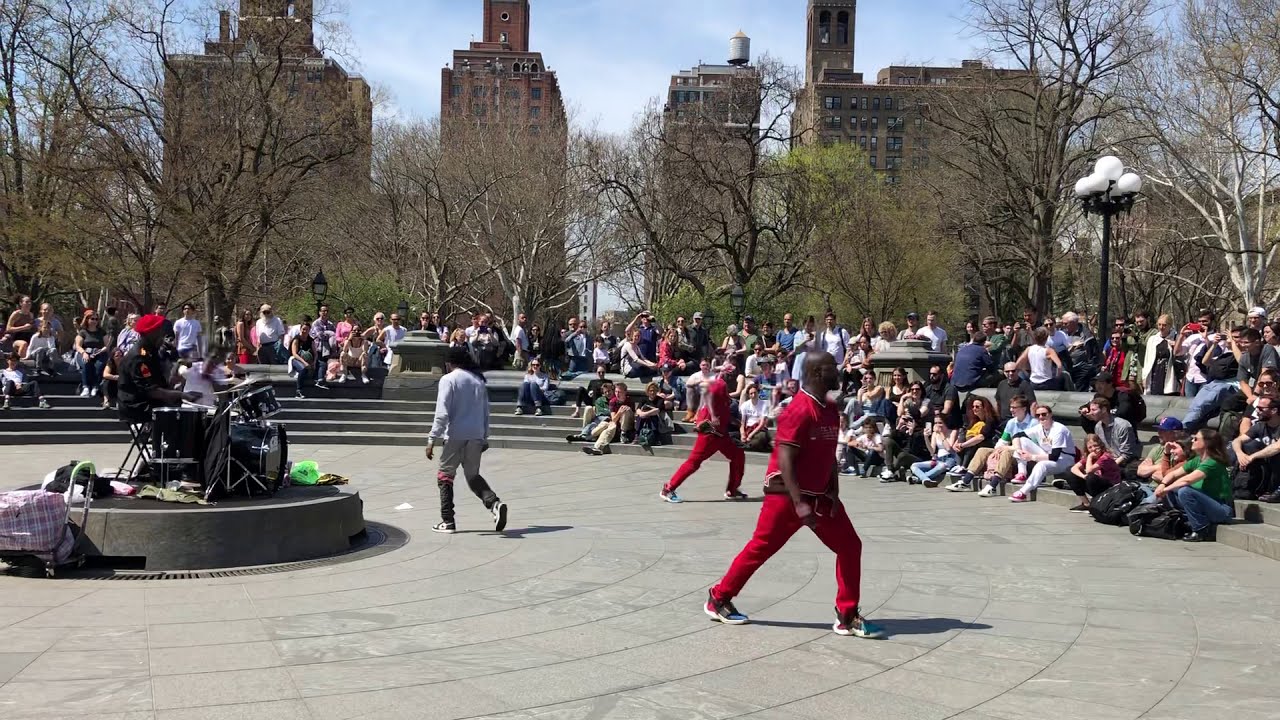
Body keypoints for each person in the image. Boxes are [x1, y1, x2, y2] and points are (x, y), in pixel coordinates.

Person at [704, 351, 883, 638]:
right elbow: (785, 457)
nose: (837, 372)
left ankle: (847, 615)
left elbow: (827, 456)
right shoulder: (799, 409)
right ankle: (718, 598)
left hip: (820, 496)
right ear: (815, 373)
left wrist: (833, 493)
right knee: (760, 548)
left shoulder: (828, 408)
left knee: (850, 546)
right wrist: (799, 504)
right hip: (786, 497)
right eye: (830, 368)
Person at [425, 347, 507, 534]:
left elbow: (442, 413)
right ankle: (494, 503)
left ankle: (448, 521)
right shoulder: (478, 381)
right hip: (476, 435)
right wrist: (484, 436)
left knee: (445, 476)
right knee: (473, 476)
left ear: (449, 363)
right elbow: (485, 412)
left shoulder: (448, 380)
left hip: (455, 435)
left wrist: (432, 439)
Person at [660, 364, 746, 502]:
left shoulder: (722, 386)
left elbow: (723, 408)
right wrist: (713, 416)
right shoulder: (719, 385)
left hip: (721, 434)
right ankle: (668, 489)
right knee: (694, 462)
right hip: (709, 433)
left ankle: (732, 489)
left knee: (738, 455)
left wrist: (736, 422)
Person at [117, 314, 200, 424]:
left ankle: (169, 440)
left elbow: (158, 385)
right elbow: (151, 391)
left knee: (186, 411)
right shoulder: (138, 357)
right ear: (151, 333)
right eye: (160, 331)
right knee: (181, 417)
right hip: (136, 405)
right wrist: (180, 395)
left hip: (150, 400)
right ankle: (166, 440)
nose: (163, 335)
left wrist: (174, 382)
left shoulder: (151, 351)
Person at [1156, 428, 1234, 541]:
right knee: (1173, 490)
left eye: (1196, 439)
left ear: (1207, 443)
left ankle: (1201, 530)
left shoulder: (1213, 463)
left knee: (1184, 491)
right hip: (1207, 505)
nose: (1192, 441)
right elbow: (1173, 475)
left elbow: (1187, 480)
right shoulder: (1197, 460)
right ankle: (1184, 521)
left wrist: (1166, 489)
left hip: (1221, 510)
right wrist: (1163, 484)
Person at [1009, 405, 1076, 503]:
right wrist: (1018, 450)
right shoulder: (1039, 427)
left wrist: (1031, 457)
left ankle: (1024, 492)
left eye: (1044, 414)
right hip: (1047, 454)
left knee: (1041, 465)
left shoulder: (1059, 430)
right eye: (1038, 415)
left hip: (1064, 459)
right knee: (1022, 440)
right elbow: (1017, 435)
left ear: (1050, 414)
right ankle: (1022, 473)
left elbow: (1054, 456)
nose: (1041, 417)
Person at [1232, 396, 1280, 501]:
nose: (1257, 411)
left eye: (1261, 408)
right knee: (1246, 447)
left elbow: (1277, 447)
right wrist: (1241, 454)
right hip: (1270, 467)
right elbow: (1237, 441)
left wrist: (1251, 457)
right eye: (1256, 408)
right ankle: (1244, 488)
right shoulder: (1260, 426)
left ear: (1274, 410)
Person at [1066, 434, 1122, 512]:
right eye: (1090, 447)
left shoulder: (1105, 457)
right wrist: (1083, 476)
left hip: (1110, 486)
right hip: (1096, 483)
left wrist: (1089, 457)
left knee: (1090, 477)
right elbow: (1073, 468)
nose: (1093, 449)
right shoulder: (1089, 456)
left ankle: (1097, 504)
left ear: (1100, 445)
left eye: (1095, 446)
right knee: (1069, 473)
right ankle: (1086, 504)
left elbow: (1089, 471)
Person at [582, 382, 635, 455]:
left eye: (619, 392)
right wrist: (619, 412)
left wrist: (624, 411)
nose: (617, 394)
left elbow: (632, 418)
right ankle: (597, 448)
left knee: (627, 410)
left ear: (625, 392)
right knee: (609, 429)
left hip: (628, 427)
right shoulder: (613, 401)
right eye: (616, 391)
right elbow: (613, 419)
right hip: (616, 425)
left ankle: (624, 434)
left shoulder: (630, 401)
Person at [909, 415, 959, 487]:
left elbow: (949, 449)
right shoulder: (935, 434)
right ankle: (926, 479)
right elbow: (932, 451)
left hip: (949, 459)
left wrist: (941, 433)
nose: (938, 425)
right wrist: (926, 437)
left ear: (945, 423)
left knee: (942, 466)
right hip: (938, 459)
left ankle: (918, 478)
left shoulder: (952, 432)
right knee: (914, 466)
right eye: (936, 423)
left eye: (940, 423)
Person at [1138, 416, 1186, 483]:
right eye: (1159, 430)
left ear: (1174, 433)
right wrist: (1158, 467)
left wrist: (1151, 469)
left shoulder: (1181, 451)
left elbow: (1165, 477)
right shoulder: (1158, 448)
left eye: (1163, 430)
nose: (1159, 433)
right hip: (1147, 486)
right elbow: (1140, 471)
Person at [75, 310, 109, 398]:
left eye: (96, 319)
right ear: (87, 320)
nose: (94, 321)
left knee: (99, 365)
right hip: (85, 352)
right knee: (86, 363)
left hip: (99, 353)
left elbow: (107, 345)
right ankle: (85, 387)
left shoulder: (102, 332)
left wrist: (101, 350)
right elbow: (78, 346)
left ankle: (95, 386)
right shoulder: (83, 332)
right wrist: (84, 353)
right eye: (92, 319)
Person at [289, 319, 322, 399]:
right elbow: (294, 353)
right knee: (303, 369)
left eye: (307, 329)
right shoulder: (296, 339)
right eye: (303, 329)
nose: (305, 331)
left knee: (321, 364)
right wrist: (304, 362)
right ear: (300, 329)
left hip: (309, 359)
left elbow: (315, 353)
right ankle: (298, 390)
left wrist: (314, 362)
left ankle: (318, 380)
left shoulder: (311, 340)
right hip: (296, 359)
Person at [739, 383, 771, 451]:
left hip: (758, 430)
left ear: (758, 393)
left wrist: (750, 435)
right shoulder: (745, 405)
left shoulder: (763, 405)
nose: (753, 395)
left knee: (761, 437)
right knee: (732, 436)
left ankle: (747, 445)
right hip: (747, 428)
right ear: (748, 395)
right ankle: (750, 445)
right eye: (751, 393)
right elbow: (742, 422)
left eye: (755, 393)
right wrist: (742, 434)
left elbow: (762, 424)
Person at [310, 305, 337, 387]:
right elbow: (321, 336)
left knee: (325, 363)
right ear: (319, 312)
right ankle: (319, 379)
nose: (325, 313)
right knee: (321, 363)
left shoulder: (330, 324)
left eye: (326, 311)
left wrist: (327, 334)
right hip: (318, 346)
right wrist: (329, 334)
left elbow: (334, 335)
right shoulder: (316, 323)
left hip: (328, 347)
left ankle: (320, 379)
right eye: (323, 311)